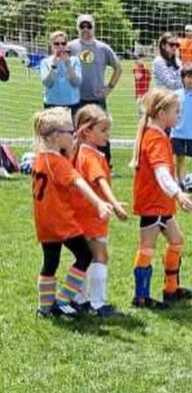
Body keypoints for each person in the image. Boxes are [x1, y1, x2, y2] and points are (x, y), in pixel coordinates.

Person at [31, 107, 112, 319]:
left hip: (44, 222)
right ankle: (63, 300)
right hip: (61, 221)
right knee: (85, 256)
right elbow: (79, 182)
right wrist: (98, 203)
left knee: (50, 263)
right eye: (70, 132)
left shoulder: (40, 158)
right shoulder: (58, 162)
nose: (73, 135)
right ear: (57, 136)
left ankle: (44, 308)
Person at [130, 88, 192, 309]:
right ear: (161, 114)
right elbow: (160, 173)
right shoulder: (155, 138)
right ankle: (141, 297)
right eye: (176, 111)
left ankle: (171, 289)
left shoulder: (158, 134)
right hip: (153, 203)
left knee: (176, 241)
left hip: (161, 203)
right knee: (147, 248)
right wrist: (177, 193)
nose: (179, 115)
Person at [72, 105, 128, 316]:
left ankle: (80, 299)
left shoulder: (83, 153)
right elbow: (101, 182)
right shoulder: (90, 156)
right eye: (103, 130)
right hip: (91, 215)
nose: (108, 135)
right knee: (100, 256)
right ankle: (97, 303)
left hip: (85, 214)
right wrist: (113, 204)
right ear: (87, 131)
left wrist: (113, 202)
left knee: (87, 257)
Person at [68, 13, 121, 162]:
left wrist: (110, 87)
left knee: (101, 130)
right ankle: (76, 162)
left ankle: (106, 163)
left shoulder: (103, 48)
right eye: (82, 26)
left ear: (94, 27)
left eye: (88, 26)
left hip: (97, 98)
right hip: (76, 98)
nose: (85, 29)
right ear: (77, 28)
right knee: (76, 132)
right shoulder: (71, 47)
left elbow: (118, 68)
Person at [40, 31, 82, 112]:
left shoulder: (74, 61)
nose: (60, 46)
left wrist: (68, 65)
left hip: (72, 104)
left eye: (63, 43)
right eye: (57, 44)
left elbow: (76, 83)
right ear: (52, 46)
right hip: (52, 104)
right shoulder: (45, 62)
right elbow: (47, 83)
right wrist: (54, 66)